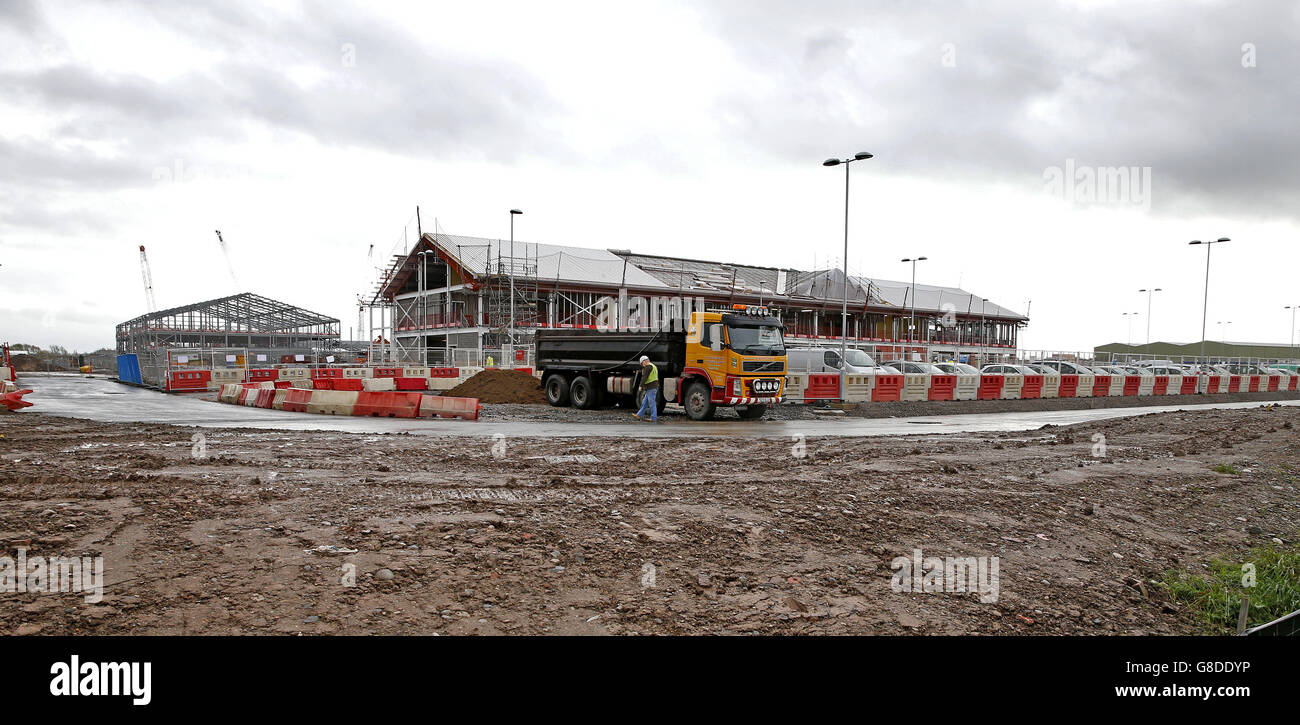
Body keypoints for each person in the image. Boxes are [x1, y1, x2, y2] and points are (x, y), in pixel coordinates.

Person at [634, 355, 659, 422]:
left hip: (651, 387)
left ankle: (653, 418)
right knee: (645, 402)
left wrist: (640, 385)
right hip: (653, 386)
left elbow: (644, 377)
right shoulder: (653, 366)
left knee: (652, 403)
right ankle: (639, 415)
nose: (642, 365)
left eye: (642, 363)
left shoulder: (647, 367)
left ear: (644, 361)